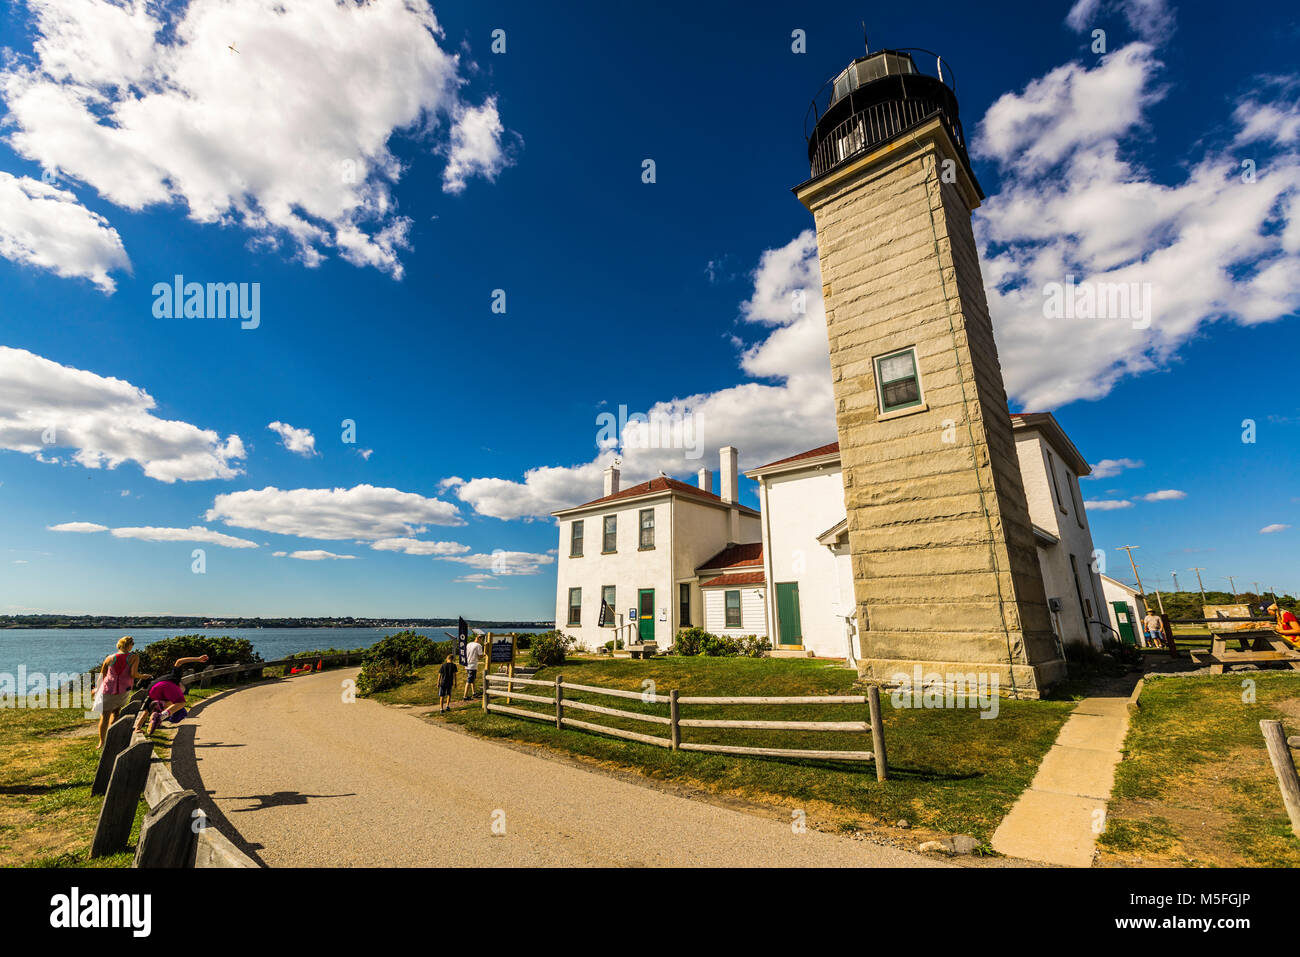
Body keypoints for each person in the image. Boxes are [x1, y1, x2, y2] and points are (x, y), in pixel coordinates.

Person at [134, 654, 209, 735]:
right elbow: (179, 661)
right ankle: (160, 717)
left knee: (166, 705)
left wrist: (137, 728)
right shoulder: (175, 678)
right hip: (168, 685)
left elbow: (145, 711)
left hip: (153, 688)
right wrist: (198, 659)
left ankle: (155, 718)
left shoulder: (170, 677)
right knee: (181, 703)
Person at [94, 636, 147, 749]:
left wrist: (97, 688)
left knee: (104, 716)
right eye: (132, 643)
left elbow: (102, 675)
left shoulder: (109, 658)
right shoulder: (134, 657)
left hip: (107, 688)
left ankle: (102, 742)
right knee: (116, 713)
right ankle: (111, 738)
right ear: (129, 645)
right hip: (123, 689)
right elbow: (133, 674)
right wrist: (143, 676)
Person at [463, 634, 483, 700]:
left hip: (467, 664)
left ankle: (474, 693)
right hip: (473, 665)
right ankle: (465, 696)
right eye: (481, 639)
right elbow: (480, 656)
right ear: (479, 639)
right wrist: (485, 654)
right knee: (469, 680)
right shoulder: (478, 646)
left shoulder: (468, 644)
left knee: (472, 679)